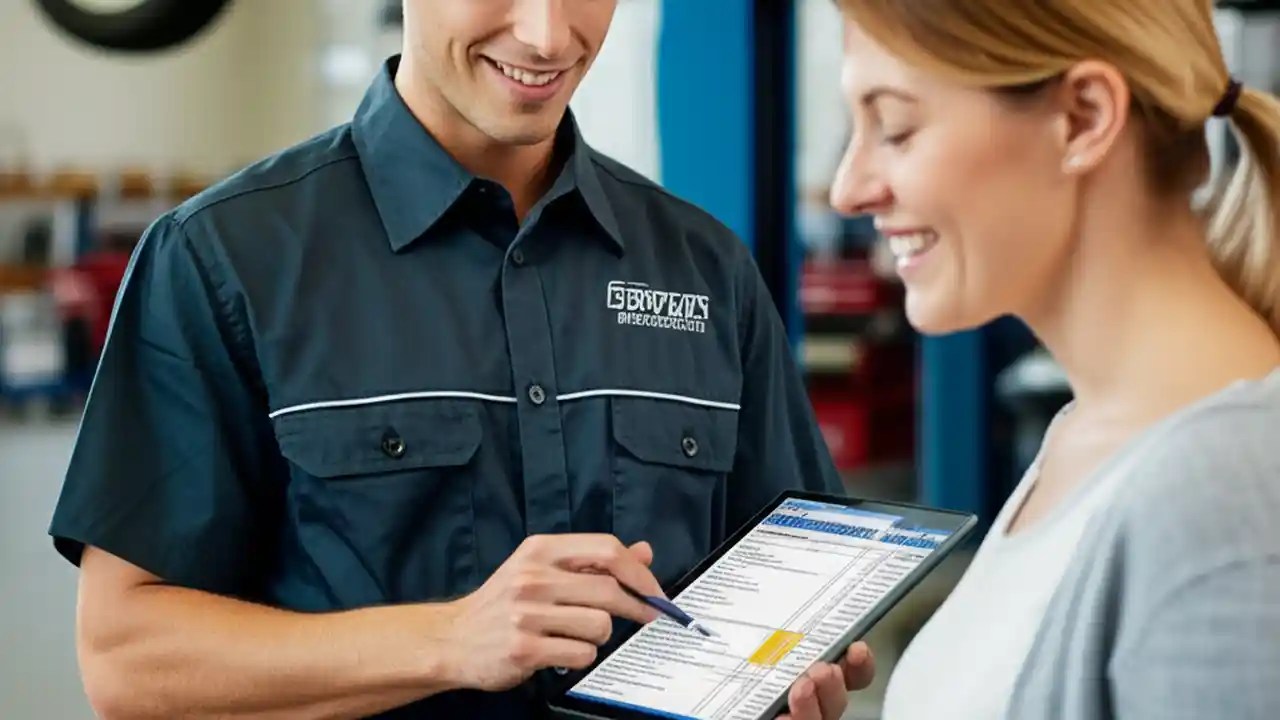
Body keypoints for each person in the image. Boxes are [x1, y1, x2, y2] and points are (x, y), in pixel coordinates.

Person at [47, 1, 877, 719]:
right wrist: (448, 639)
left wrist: (787, 670)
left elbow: (786, 594)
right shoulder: (225, 261)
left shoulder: (705, 268)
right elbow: (128, 661)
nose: (548, 35)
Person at [827, 1, 1280, 718]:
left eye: (896, 128)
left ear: (1084, 117)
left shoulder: (1221, 498)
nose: (849, 187)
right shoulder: (1088, 436)